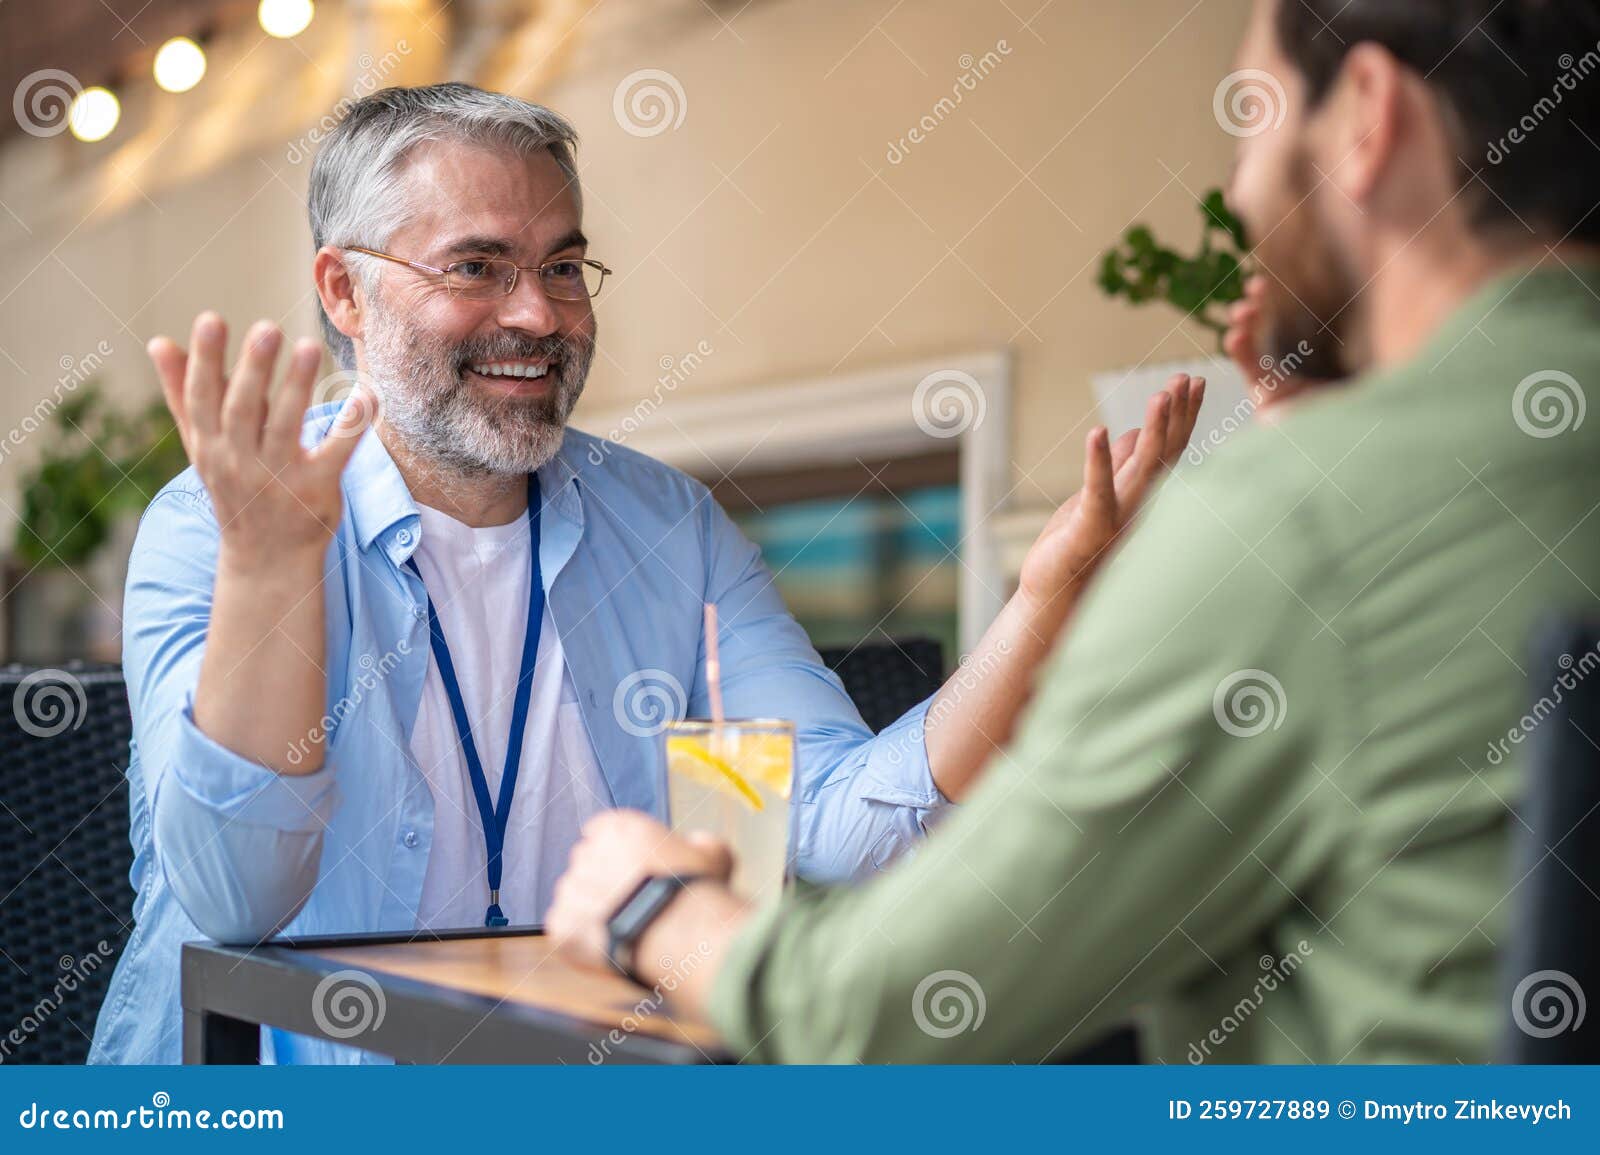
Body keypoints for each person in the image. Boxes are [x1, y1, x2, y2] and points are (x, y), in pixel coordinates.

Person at [547, 0, 1600, 1063]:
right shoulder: (1386, 499)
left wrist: (658, 909)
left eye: (1251, 119)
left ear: (1367, 116)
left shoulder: (1299, 523)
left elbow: (879, 1016)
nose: (1240, 189)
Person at [89, 83, 1201, 1064]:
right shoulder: (213, 526)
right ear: (344, 291)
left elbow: (845, 833)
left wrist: (1048, 595)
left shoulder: (668, 526)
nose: (537, 314)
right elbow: (238, 900)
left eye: (563, 267)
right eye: (477, 266)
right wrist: (272, 568)